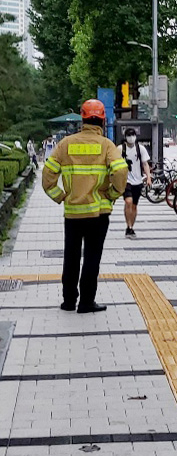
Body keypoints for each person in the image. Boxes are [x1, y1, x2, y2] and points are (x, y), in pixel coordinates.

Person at [42, 99, 128, 314]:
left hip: (72, 212)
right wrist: (112, 194)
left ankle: (69, 300)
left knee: (71, 256)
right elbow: (120, 171)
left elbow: (48, 174)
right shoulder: (106, 145)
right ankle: (87, 302)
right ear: (102, 120)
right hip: (98, 212)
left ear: (82, 118)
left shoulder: (66, 144)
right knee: (92, 257)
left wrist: (60, 196)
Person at [120, 128, 151, 239]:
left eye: (133, 135)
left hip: (137, 181)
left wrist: (148, 177)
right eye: (129, 135)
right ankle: (129, 226)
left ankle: (130, 227)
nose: (131, 137)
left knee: (134, 205)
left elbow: (145, 164)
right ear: (125, 137)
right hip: (125, 181)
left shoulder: (140, 149)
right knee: (128, 201)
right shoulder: (120, 149)